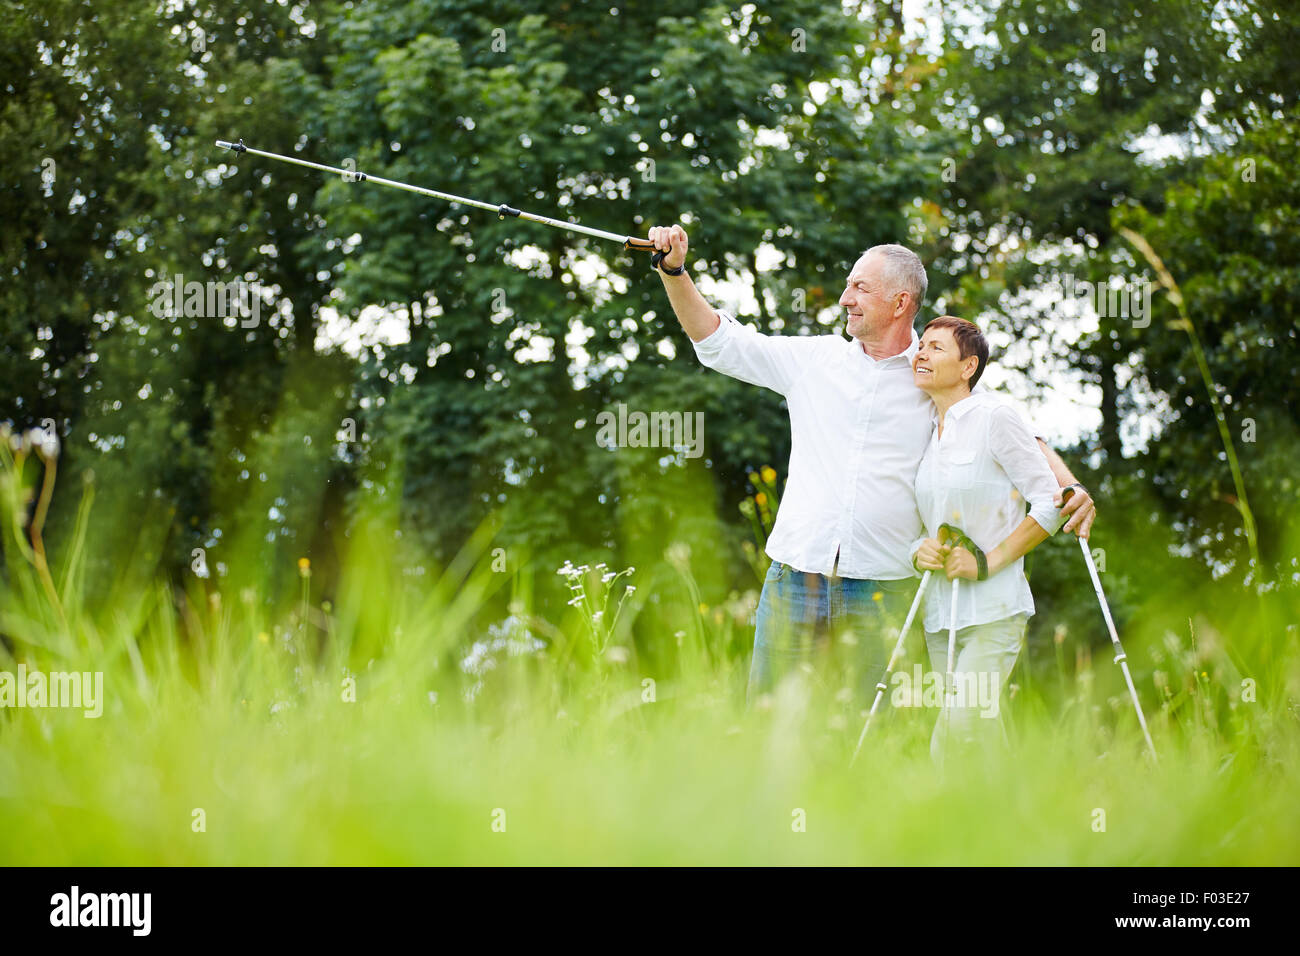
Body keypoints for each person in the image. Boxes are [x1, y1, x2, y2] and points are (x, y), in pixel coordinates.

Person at [645, 224, 1095, 709]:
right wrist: (673, 271)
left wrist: (1067, 485)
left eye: (859, 287)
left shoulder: (935, 373)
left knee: (870, 744)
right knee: (767, 728)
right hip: (794, 577)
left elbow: (1009, 430)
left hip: (884, 588)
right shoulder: (813, 360)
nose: (844, 299)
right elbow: (716, 339)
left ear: (900, 303)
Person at [909, 316, 1064, 761]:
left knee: (955, 734)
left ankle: (941, 826)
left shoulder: (996, 417)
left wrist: (987, 561)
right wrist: (917, 550)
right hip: (940, 618)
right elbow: (922, 524)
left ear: (968, 367)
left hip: (995, 610)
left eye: (936, 348)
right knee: (982, 738)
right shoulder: (924, 433)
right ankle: (1011, 823)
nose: (921, 352)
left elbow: (1049, 503)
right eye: (921, 344)